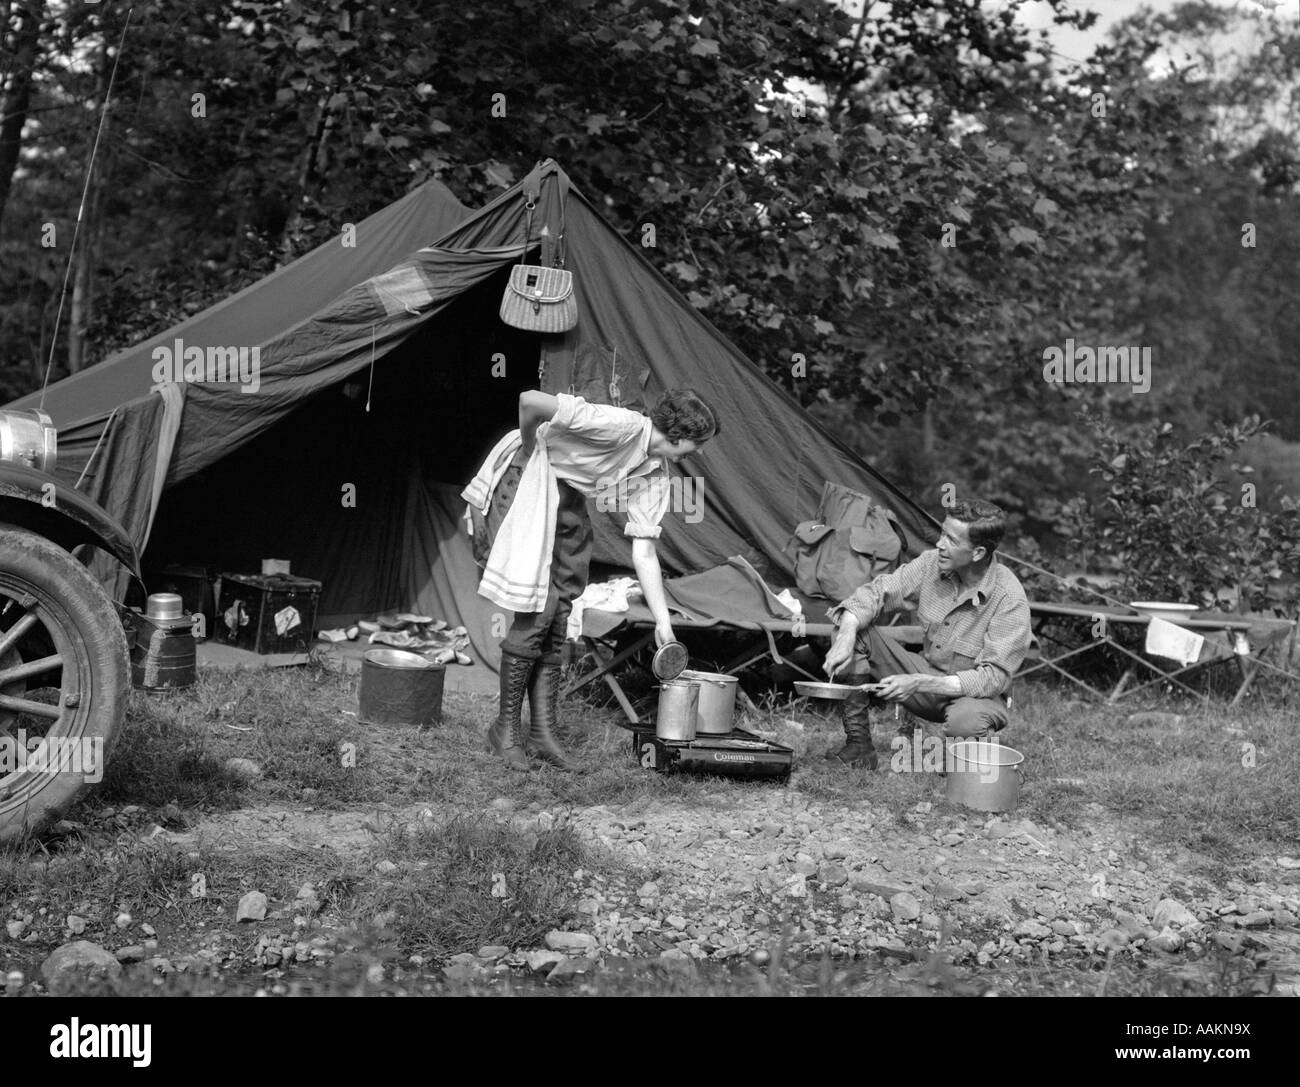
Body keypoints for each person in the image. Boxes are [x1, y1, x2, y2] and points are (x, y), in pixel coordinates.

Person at [463, 388, 720, 773]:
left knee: (560, 612)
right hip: (526, 476)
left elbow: (645, 552)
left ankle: (542, 732)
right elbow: (529, 401)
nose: (697, 452)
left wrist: (663, 622)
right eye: (697, 444)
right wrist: (529, 447)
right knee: (540, 607)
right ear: (680, 435)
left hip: (566, 494)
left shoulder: (655, 473)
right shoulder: (619, 425)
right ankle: (505, 730)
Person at [820, 499, 1032, 769]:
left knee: (966, 722)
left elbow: (992, 679)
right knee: (850, 625)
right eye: (942, 533)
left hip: (976, 698)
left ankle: (968, 762)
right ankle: (858, 747)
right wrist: (846, 635)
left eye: (951, 540)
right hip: (924, 678)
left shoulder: (1008, 597)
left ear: (978, 552)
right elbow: (876, 592)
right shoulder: (932, 564)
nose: (940, 544)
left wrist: (918, 683)